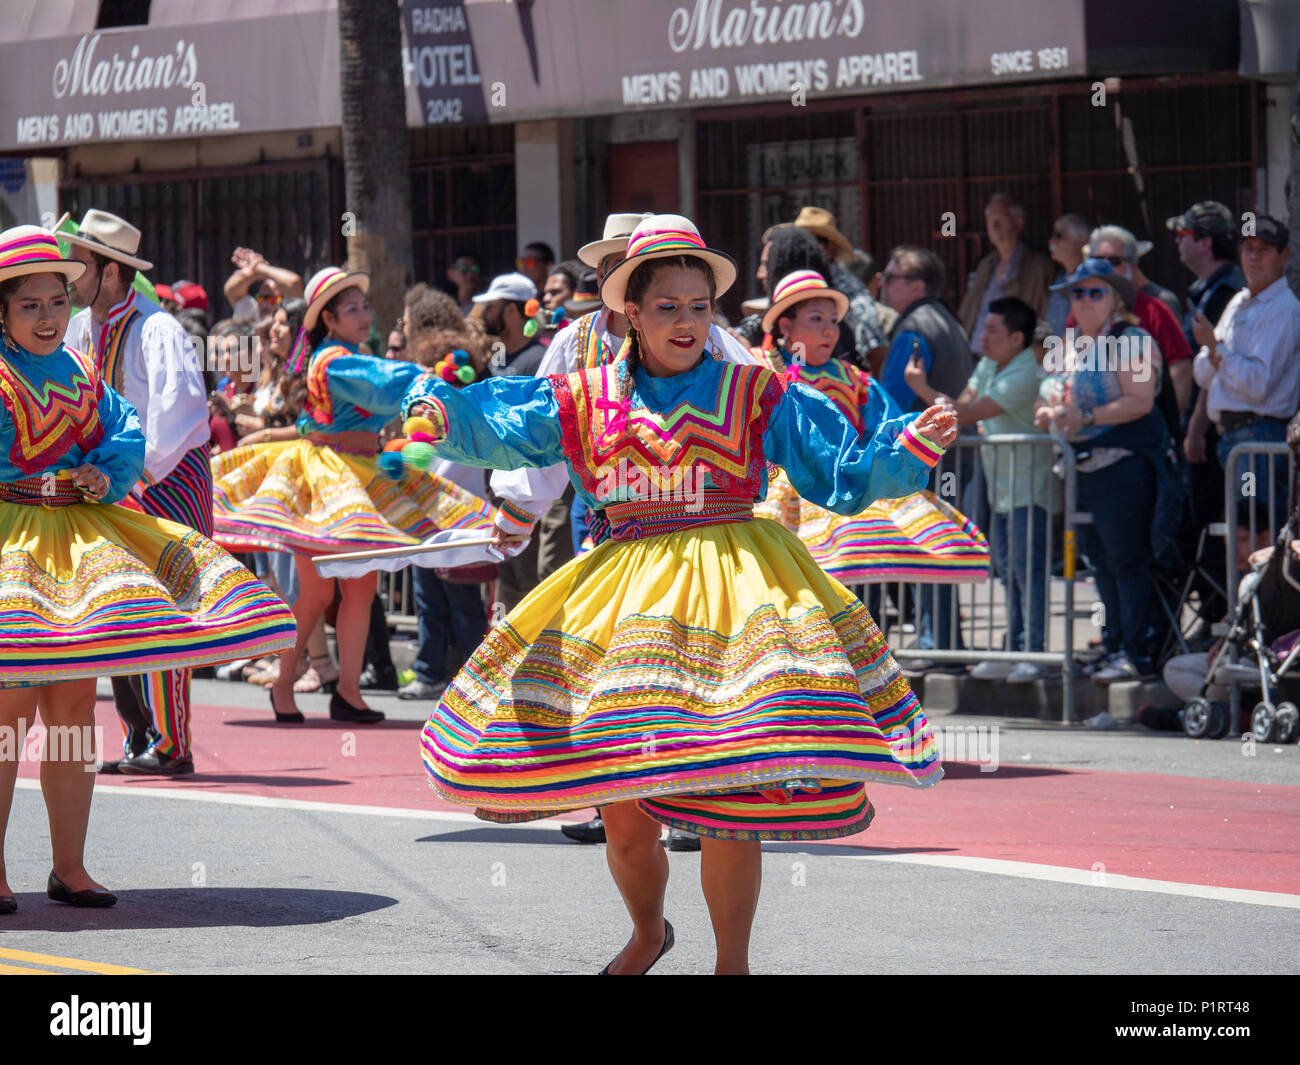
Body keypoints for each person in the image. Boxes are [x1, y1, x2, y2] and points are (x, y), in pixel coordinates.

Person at [400, 213, 956, 973]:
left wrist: (907, 450)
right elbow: (507, 423)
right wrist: (443, 411)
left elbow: (840, 474)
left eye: (699, 306)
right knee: (623, 810)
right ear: (630, 309)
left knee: (728, 798)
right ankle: (646, 932)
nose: (687, 322)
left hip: (734, 597)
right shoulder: (584, 392)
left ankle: (733, 964)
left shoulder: (757, 390)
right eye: (668, 307)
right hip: (622, 600)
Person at [0, 224, 294, 912]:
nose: (49, 317)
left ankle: (69, 866)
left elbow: (125, 426)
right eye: (29, 306)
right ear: (1, 312)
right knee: (7, 713)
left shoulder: (77, 371)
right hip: (12, 544)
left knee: (73, 707)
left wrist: (107, 471)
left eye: (57, 302)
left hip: (75, 543)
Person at [211, 266, 495, 724]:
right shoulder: (333, 360)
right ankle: (284, 684)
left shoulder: (351, 355)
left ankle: (348, 691)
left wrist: (417, 378)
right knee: (316, 595)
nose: (364, 315)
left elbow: (381, 382)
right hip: (326, 480)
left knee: (361, 591)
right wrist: (418, 374)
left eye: (364, 307)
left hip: (361, 474)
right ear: (329, 319)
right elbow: (382, 381)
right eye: (352, 309)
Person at [62, 209, 214, 775]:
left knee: (165, 606)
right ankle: (138, 733)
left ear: (107, 272)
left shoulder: (158, 328)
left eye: (78, 263)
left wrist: (129, 475)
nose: (68, 274)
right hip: (112, 481)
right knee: (114, 604)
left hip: (167, 480)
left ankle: (172, 745)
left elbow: (178, 414)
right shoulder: (80, 328)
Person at [908, 296, 1060, 681]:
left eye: (992, 330)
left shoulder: (1026, 373)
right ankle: (1015, 647)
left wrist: (922, 387)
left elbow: (964, 414)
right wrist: (934, 397)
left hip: (1031, 488)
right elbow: (961, 405)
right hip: (1003, 489)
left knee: (1029, 571)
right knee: (1007, 571)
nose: (983, 337)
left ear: (1016, 338)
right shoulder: (990, 365)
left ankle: (1034, 650)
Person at [1036, 259, 1165, 684]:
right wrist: (1046, 413)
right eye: (1077, 292)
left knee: (1127, 561)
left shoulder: (1134, 340)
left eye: (1095, 292)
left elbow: (1140, 401)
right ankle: (1112, 646)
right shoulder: (1066, 343)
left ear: (1114, 299)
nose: (1085, 300)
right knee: (1099, 564)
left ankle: (1137, 652)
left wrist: (1084, 416)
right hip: (1079, 468)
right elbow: (1049, 390)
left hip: (1122, 465)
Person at [878, 246, 974, 669]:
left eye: (892, 277)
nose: (883, 282)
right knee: (939, 545)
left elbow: (890, 399)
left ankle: (937, 643)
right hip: (948, 453)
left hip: (920, 456)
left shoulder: (914, 326)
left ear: (916, 286)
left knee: (924, 547)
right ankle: (942, 642)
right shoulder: (948, 321)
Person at [1191, 213, 1300, 516]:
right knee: (1243, 531)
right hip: (1236, 439)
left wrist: (1215, 349)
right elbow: (1201, 373)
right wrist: (1216, 353)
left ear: (1284, 256)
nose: (1253, 256)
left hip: (1259, 437)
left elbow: (1257, 386)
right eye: (1248, 248)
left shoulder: (1284, 309)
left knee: (1255, 528)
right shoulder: (1238, 302)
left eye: (1263, 249)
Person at [958, 193, 1057, 351]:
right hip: (974, 359)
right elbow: (967, 314)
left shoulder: (1039, 267)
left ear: (1018, 222)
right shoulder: (985, 266)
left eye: (999, 218)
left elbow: (1045, 318)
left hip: (1014, 362)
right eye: (990, 219)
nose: (993, 225)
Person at [475, 271, 546, 378]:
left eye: (490, 306)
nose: (483, 312)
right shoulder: (496, 356)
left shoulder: (538, 361)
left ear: (511, 310)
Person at [224, 247, 303, 321]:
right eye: (260, 298)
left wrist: (258, 266)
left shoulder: (290, 316)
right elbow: (230, 290)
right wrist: (253, 272)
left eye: (271, 298)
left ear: (282, 300)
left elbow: (294, 283)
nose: (264, 303)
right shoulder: (252, 314)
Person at [1046, 213, 1089, 336]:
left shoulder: (1092, 280)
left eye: (1059, 236)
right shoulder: (1059, 278)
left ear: (1081, 241)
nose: (1051, 241)